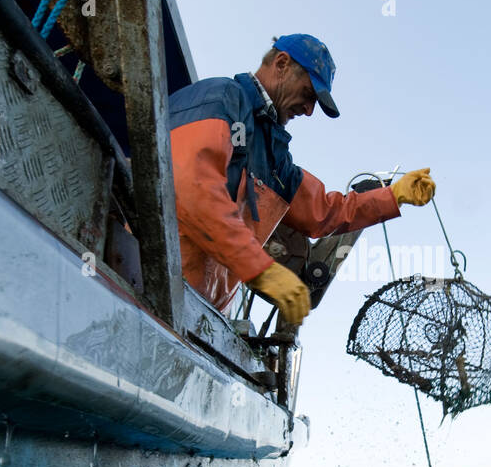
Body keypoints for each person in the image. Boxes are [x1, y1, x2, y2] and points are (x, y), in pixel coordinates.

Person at [168, 33, 435, 325]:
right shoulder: (221, 98)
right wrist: (260, 270)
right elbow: (192, 189)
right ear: (281, 63)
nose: (308, 111)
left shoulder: (275, 159)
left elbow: (323, 212)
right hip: (154, 287)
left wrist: (393, 195)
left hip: (197, 316)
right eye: (308, 94)